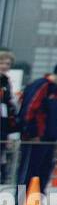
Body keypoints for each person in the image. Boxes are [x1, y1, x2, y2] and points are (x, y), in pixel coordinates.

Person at [15, 61, 57, 196]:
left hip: (51, 136)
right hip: (37, 136)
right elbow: (29, 109)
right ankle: (20, 200)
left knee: (43, 169)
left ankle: (37, 196)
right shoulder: (41, 85)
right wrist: (32, 132)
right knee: (29, 169)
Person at [0, 50, 17, 186]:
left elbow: (8, 103)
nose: (5, 66)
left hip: (3, 123)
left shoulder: (6, 82)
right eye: (2, 62)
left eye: (8, 64)